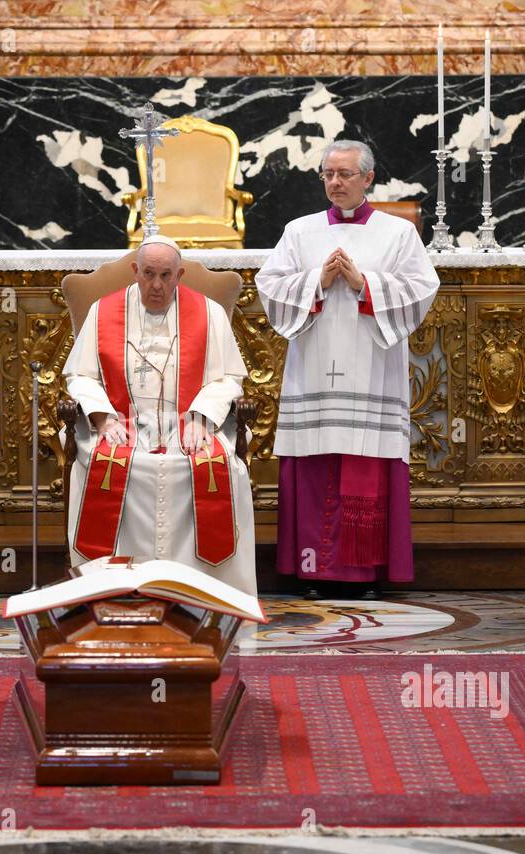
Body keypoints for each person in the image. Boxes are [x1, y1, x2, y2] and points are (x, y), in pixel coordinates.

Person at [255, 140, 440, 599]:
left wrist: (364, 285)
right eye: (327, 174)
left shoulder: (398, 234)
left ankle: (363, 573)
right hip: (314, 369)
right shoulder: (299, 231)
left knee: (367, 466)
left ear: (368, 179)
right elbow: (269, 286)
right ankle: (313, 571)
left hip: (373, 371)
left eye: (344, 174)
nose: (334, 183)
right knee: (315, 466)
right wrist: (317, 281)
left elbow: (422, 290)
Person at [62, 235, 256, 595]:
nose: (156, 285)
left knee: (211, 463)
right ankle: (115, 589)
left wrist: (202, 416)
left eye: (166, 276)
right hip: (123, 421)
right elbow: (80, 375)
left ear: (179, 274)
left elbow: (230, 376)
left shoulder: (209, 313)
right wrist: (104, 418)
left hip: (190, 422)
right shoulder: (103, 312)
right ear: (135, 271)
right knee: (111, 463)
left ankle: (208, 591)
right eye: (148, 274)